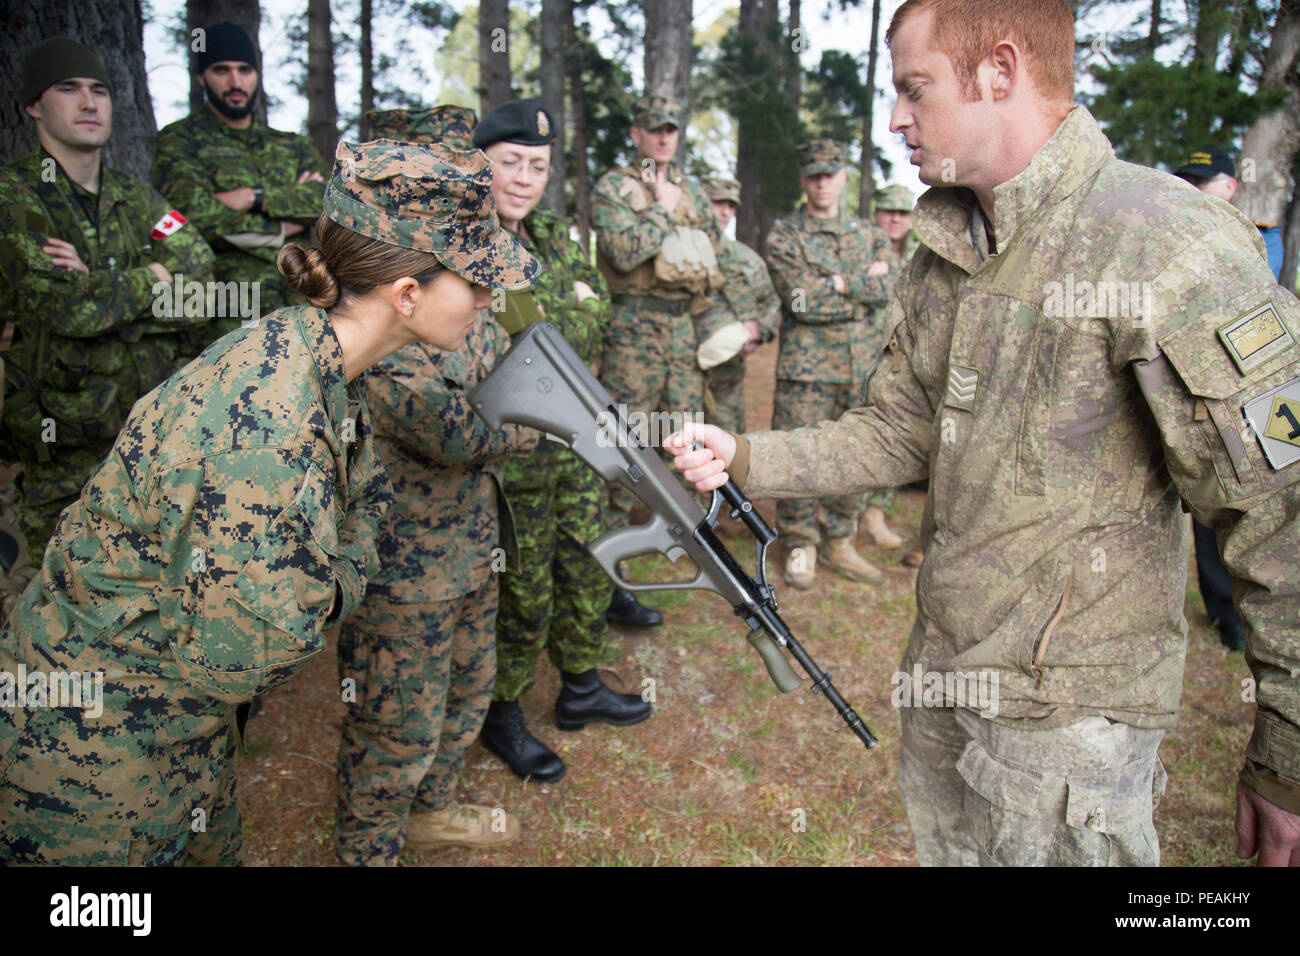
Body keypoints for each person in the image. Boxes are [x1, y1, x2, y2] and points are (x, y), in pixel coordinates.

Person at [668, 0, 1300, 867]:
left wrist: (1289, 760)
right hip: (945, 678)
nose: (894, 119)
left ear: (999, 72)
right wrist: (742, 454)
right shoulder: (946, 245)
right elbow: (899, 430)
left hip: (1068, 725)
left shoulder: (1159, 241)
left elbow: (1281, 509)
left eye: (914, 89)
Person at [0, 140, 538, 865]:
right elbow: (244, 660)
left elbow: (364, 510)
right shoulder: (269, 425)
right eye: (474, 280)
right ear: (406, 295)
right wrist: (339, 573)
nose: (486, 299)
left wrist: (321, 568)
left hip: (175, 727)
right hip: (94, 761)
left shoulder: (318, 361)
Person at [463, 100, 653, 784]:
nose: (523, 178)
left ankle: (580, 684)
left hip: (576, 439)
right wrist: (562, 321)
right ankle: (503, 709)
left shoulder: (553, 233)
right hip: (511, 453)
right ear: (479, 164)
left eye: (537, 166)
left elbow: (591, 313)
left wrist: (559, 320)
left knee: (584, 561)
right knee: (522, 587)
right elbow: (525, 339)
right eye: (509, 163)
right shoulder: (463, 242)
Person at [0, 37, 213, 574]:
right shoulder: (14, 197)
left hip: (147, 447)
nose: (89, 103)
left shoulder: (138, 199)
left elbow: (202, 276)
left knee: (146, 611)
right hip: (60, 460)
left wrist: (103, 282)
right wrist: (156, 277)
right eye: (67, 88)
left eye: (99, 89)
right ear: (33, 106)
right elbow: (65, 308)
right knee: (53, 617)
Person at [592, 93, 714, 623]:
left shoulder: (692, 190)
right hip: (634, 327)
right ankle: (603, 576)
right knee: (625, 442)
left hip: (682, 327)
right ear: (636, 134)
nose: (664, 137)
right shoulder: (614, 186)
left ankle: (688, 539)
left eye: (671, 129)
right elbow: (621, 253)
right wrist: (661, 208)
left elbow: (714, 252)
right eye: (654, 129)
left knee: (684, 433)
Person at [763, 140, 894, 589]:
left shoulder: (871, 235)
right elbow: (799, 301)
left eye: (830, 174)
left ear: (843, 177)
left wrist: (836, 284)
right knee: (799, 454)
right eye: (814, 174)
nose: (822, 182)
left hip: (861, 368)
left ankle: (840, 537)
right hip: (806, 372)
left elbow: (888, 290)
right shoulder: (785, 236)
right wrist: (859, 291)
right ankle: (800, 542)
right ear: (804, 179)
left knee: (857, 455)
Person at [151, 21, 327, 338]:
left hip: (297, 309)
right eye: (222, 70)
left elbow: (323, 201)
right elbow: (189, 218)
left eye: (245, 70)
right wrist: (278, 229)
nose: (235, 82)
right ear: (201, 76)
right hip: (224, 317)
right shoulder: (178, 141)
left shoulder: (291, 145)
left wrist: (252, 198)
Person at [1174, 146, 1277, 652]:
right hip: (1198, 393)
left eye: (1203, 182)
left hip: (1252, 386)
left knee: (1260, 504)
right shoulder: (1176, 242)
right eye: (1187, 182)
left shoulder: (1258, 242)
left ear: (1230, 185)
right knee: (1209, 506)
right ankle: (1225, 613)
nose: (1193, 191)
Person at [698, 176, 778, 436]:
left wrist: (756, 335)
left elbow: (771, 304)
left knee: (724, 446)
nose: (724, 211)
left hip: (726, 378)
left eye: (731, 206)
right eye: (717, 202)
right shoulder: (678, 251)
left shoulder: (746, 260)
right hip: (677, 367)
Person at [873, 183, 925, 566]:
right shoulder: (860, 247)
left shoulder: (922, 258)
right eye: (888, 210)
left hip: (902, 359)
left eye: (902, 213)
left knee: (892, 432)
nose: (894, 218)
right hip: (858, 354)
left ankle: (875, 510)